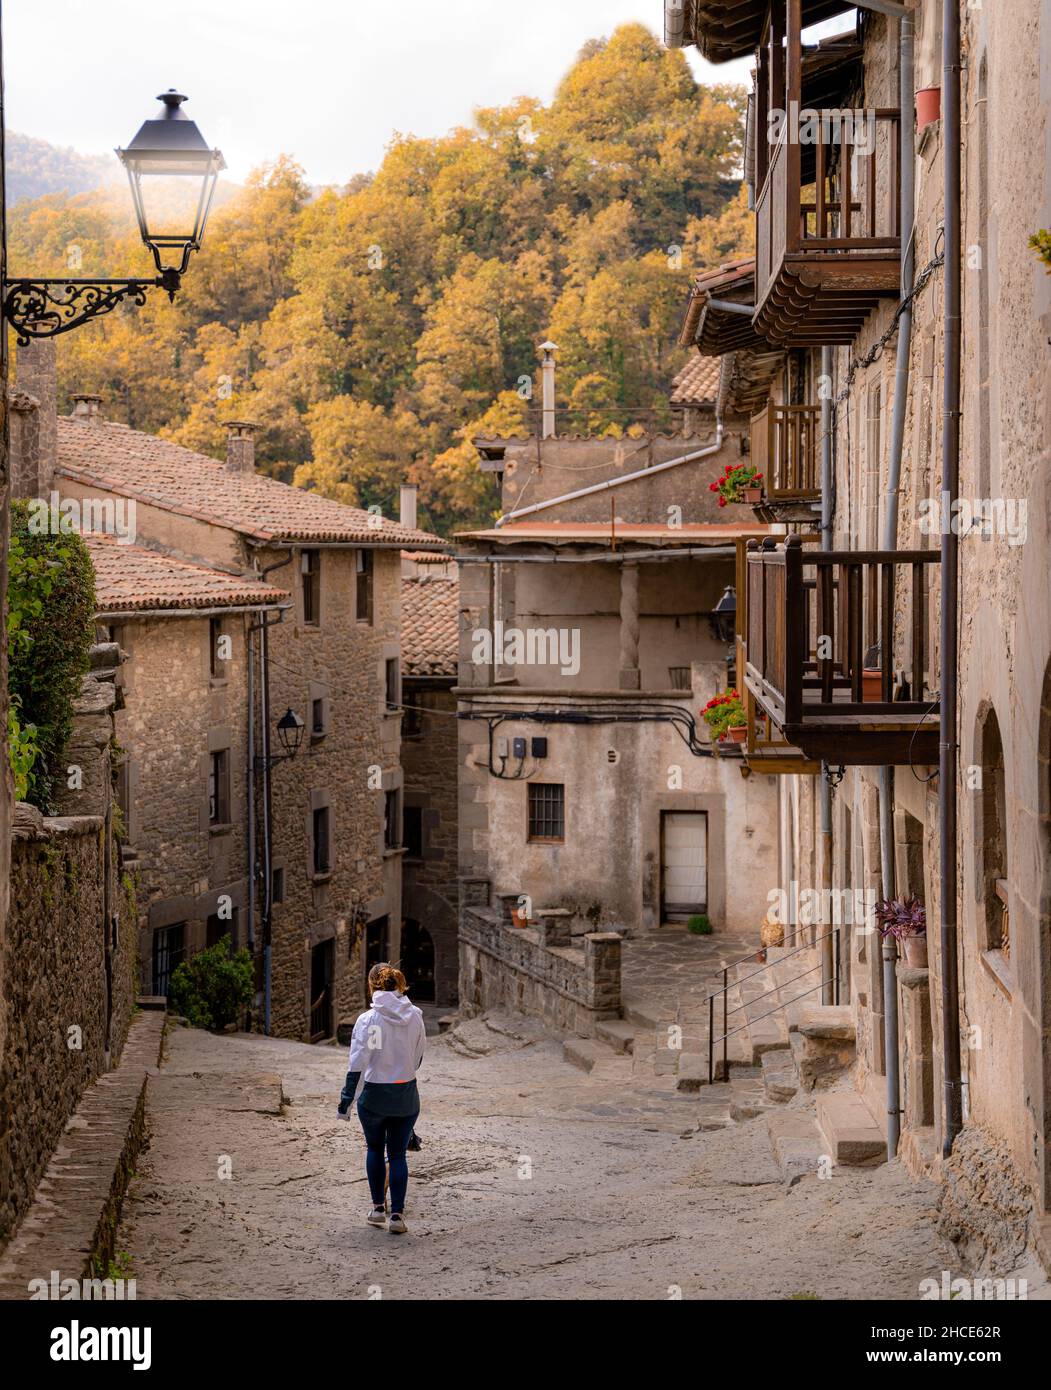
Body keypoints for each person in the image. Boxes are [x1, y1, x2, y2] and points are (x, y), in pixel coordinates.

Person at [337, 963, 424, 1235]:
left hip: (374, 1096)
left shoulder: (367, 1021)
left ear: (372, 986)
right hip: (405, 1095)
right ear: (400, 985)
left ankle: (377, 1209)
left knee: (375, 1149)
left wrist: (346, 1102)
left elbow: (357, 1064)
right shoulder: (416, 1016)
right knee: (397, 1154)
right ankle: (397, 1216)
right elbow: (418, 1056)